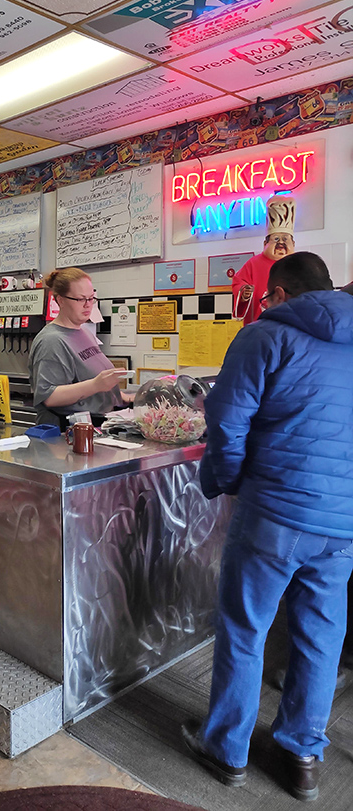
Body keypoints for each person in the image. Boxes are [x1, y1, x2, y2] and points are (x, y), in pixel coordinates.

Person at [183, 253, 353, 802]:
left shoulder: (264, 337)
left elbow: (225, 424)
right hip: (343, 522)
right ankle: (301, 754)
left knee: (245, 627)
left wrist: (229, 482)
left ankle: (227, 749)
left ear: (279, 293)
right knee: (321, 638)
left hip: (275, 514)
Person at [29, 267, 129, 428]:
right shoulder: (51, 341)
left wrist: (122, 396)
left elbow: (86, 378)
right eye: (81, 299)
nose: (88, 305)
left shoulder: (84, 332)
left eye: (91, 298)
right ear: (60, 300)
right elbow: (49, 397)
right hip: (66, 434)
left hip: (97, 427)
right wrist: (96, 384)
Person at [232, 194, 295, 325]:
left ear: (293, 244)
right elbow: (238, 282)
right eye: (276, 239)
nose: (281, 243)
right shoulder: (253, 264)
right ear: (265, 243)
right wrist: (244, 292)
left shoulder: (299, 265)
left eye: (285, 239)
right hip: (259, 325)